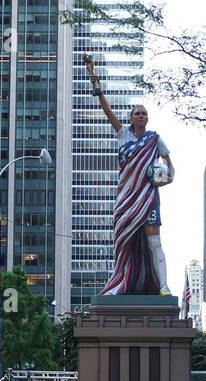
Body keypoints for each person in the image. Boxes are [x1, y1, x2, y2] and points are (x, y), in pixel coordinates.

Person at [87, 54, 175, 296]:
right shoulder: (123, 135)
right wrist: (97, 86)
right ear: (131, 119)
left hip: (148, 199)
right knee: (123, 240)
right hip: (126, 199)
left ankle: (163, 286)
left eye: (144, 113)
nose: (141, 116)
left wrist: (163, 178)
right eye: (137, 113)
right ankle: (121, 282)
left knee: (154, 242)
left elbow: (172, 170)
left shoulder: (155, 139)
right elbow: (107, 111)